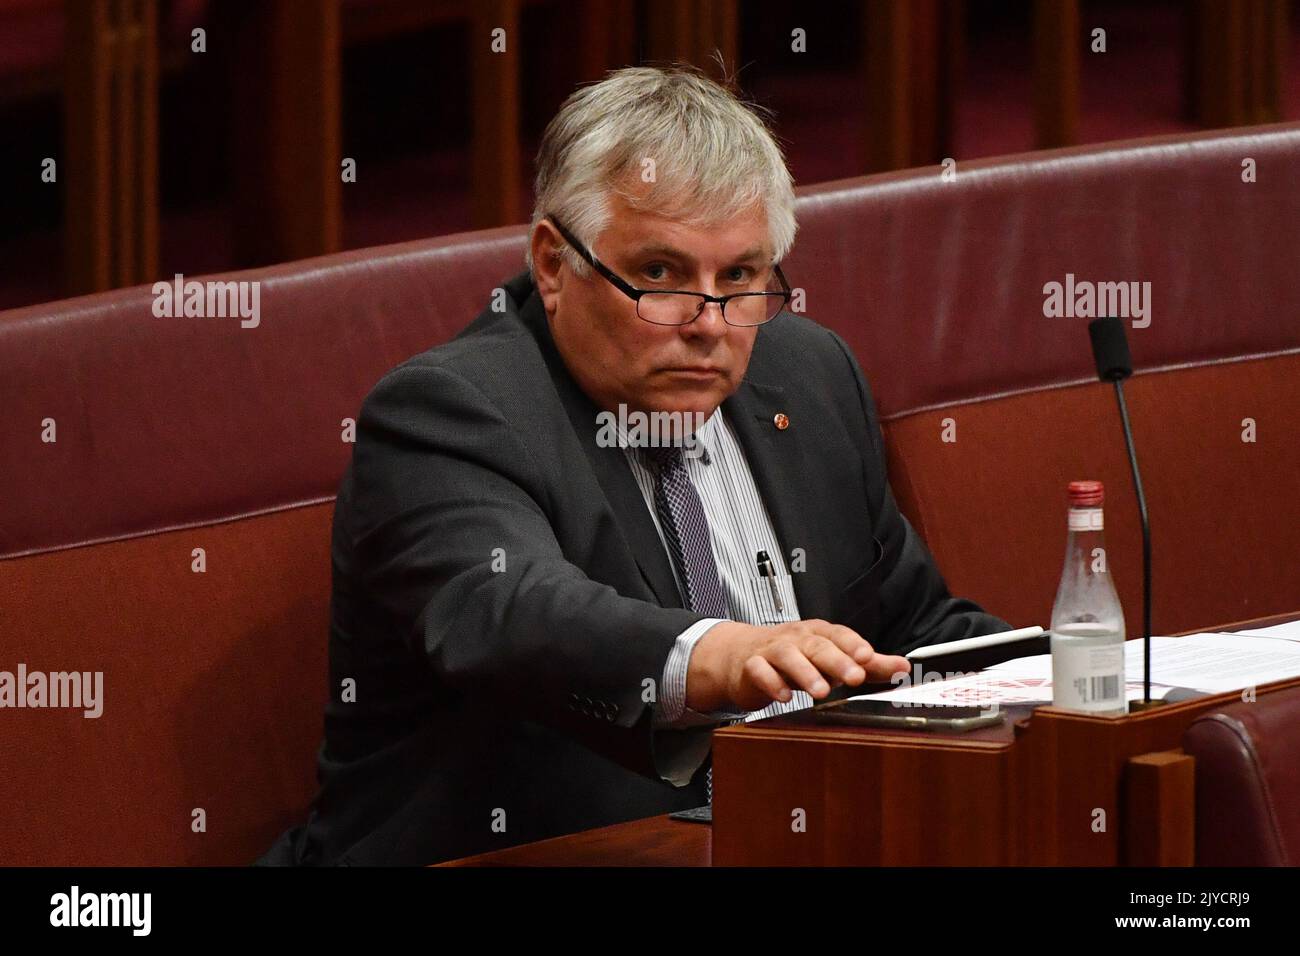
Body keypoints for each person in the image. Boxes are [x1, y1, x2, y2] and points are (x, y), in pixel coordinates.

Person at [260, 64, 1007, 866]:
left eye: (741, 278)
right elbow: (514, 611)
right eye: (660, 275)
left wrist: (1078, 680)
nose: (708, 323)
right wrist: (714, 653)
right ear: (553, 264)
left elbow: (910, 627)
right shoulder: (449, 412)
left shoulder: (807, 375)